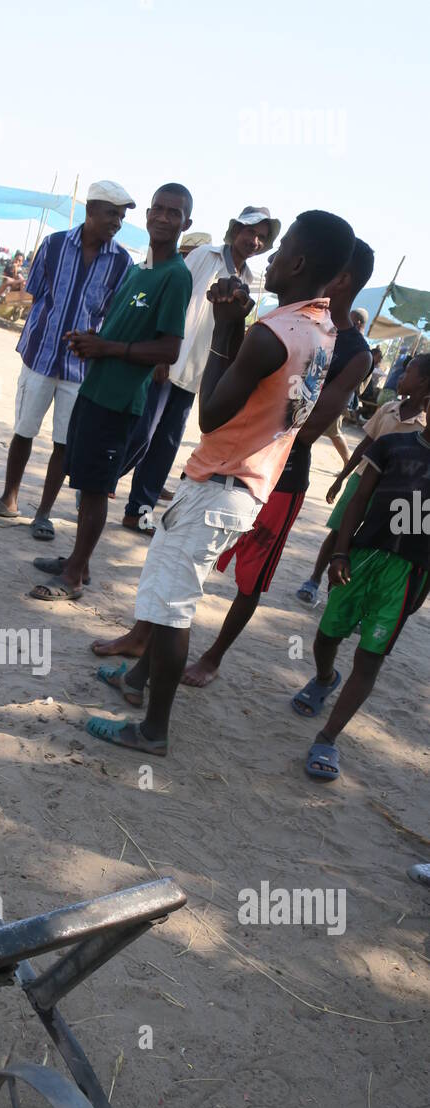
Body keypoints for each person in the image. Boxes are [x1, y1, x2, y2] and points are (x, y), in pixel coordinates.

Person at [85, 209, 354, 756]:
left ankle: (153, 731)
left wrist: (228, 330)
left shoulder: (272, 333)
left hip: (221, 480)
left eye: (279, 254)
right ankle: (136, 682)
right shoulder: (322, 329)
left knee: (170, 606)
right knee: (172, 592)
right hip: (247, 485)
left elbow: (212, 414)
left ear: (298, 262)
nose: (269, 260)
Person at [178, 239, 375, 688]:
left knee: (252, 577)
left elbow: (305, 429)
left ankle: (212, 657)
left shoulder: (350, 350)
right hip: (227, 460)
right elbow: (242, 382)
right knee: (185, 559)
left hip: (279, 477)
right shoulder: (286, 322)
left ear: (338, 278)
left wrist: (255, 395)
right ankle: (145, 637)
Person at [26, 184, 193, 601]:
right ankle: (74, 559)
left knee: (98, 489)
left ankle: (76, 576)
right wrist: (92, 341)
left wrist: (108, 348)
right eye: (158, 209)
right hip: (94, 389)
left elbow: (169, 349)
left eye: (174, 213)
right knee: (83, 481)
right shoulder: (139, 270)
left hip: (119, 402)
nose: (163, 217)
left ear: (185, 223)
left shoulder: (176, 276)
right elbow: (120, 332)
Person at [0, 182, 135, 531]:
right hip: (40, 355)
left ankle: (43, 514)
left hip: (81, 367)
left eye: (121, 217)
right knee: (24, 430)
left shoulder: (122, 262)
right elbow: (37, 294)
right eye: (112, 214)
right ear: (91, 210)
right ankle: (8, 500)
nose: (117, 223)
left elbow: (116, 315)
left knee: (64, 442)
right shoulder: (54, 245)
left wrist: (93, 339)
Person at [120, 207, 280, 536]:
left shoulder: (249, 279)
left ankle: (139, 510)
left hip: (197, 376)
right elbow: (173, 296)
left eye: (262, 236)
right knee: (140, 435)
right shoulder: (205, 255)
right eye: (250, 231)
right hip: (169, 362)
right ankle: (97, 484)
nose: (254, 240)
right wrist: (162, 353)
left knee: (165, 446)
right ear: (235, 229)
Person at [290, 411, 430, 781]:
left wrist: (423, 588)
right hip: (363, 558)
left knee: (370, 658)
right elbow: (359, 501)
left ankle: (327, 738)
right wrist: (340, 551)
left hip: (408, 574)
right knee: (327, 636)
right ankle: (324, 678)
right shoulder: (391, 446)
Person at [296, 352, 430, 604]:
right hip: (360, 480)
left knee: (369, 542)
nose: (401, 376)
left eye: (409, 371)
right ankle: (314, 580)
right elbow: (364, 447)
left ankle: (344, 594)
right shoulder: (388, 410)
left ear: (423, 382)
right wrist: (342, 477)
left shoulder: (424, 426)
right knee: (338, 532)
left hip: (390, 493)